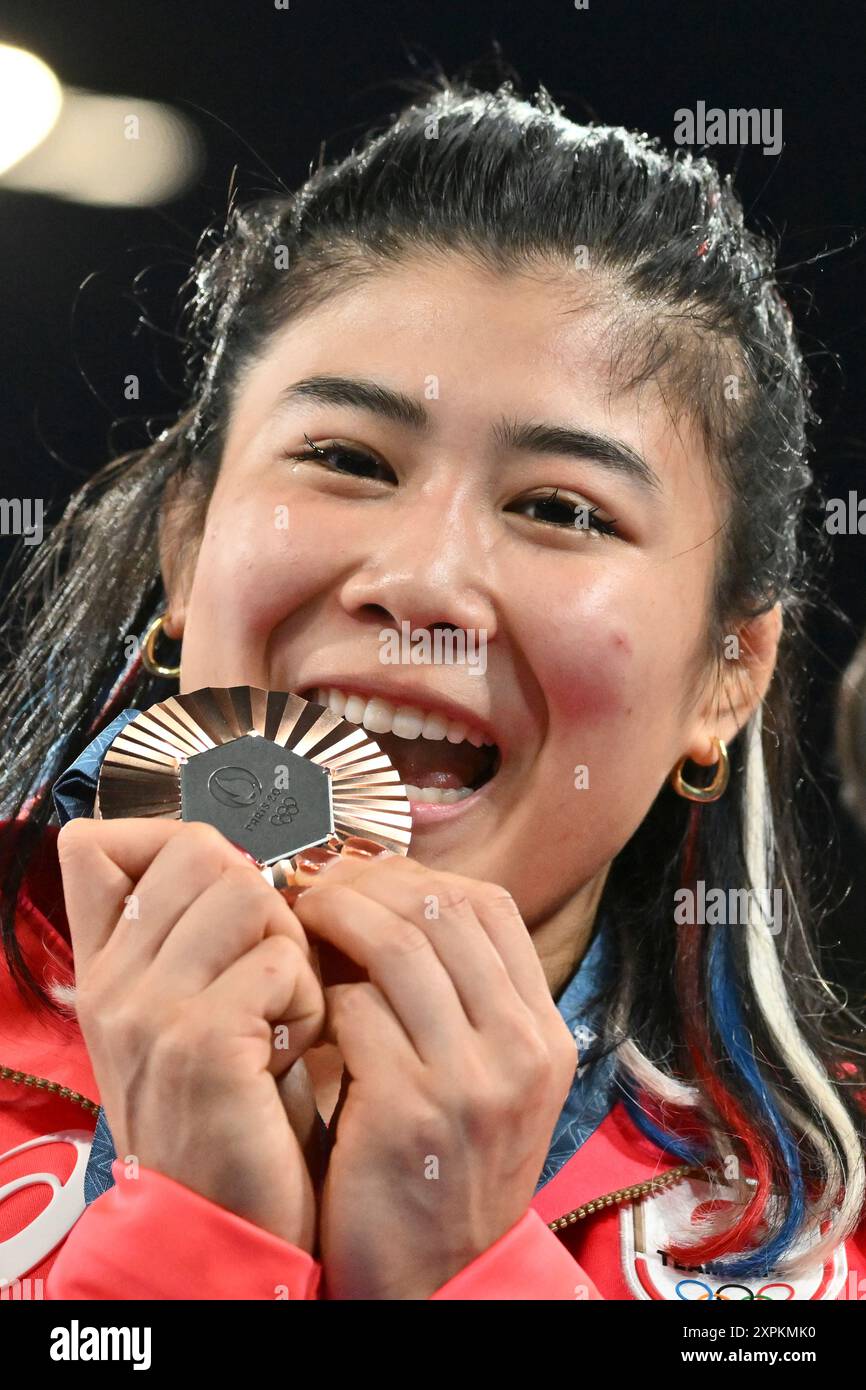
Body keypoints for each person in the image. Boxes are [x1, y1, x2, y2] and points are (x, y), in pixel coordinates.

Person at [1, 73, 864, 1302]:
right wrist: (185, 1239)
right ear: (187, 549)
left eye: (561, 508)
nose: (421, 581)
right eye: (347, 459)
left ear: (724, 677)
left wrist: (467, 1273)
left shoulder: (828, 1237)